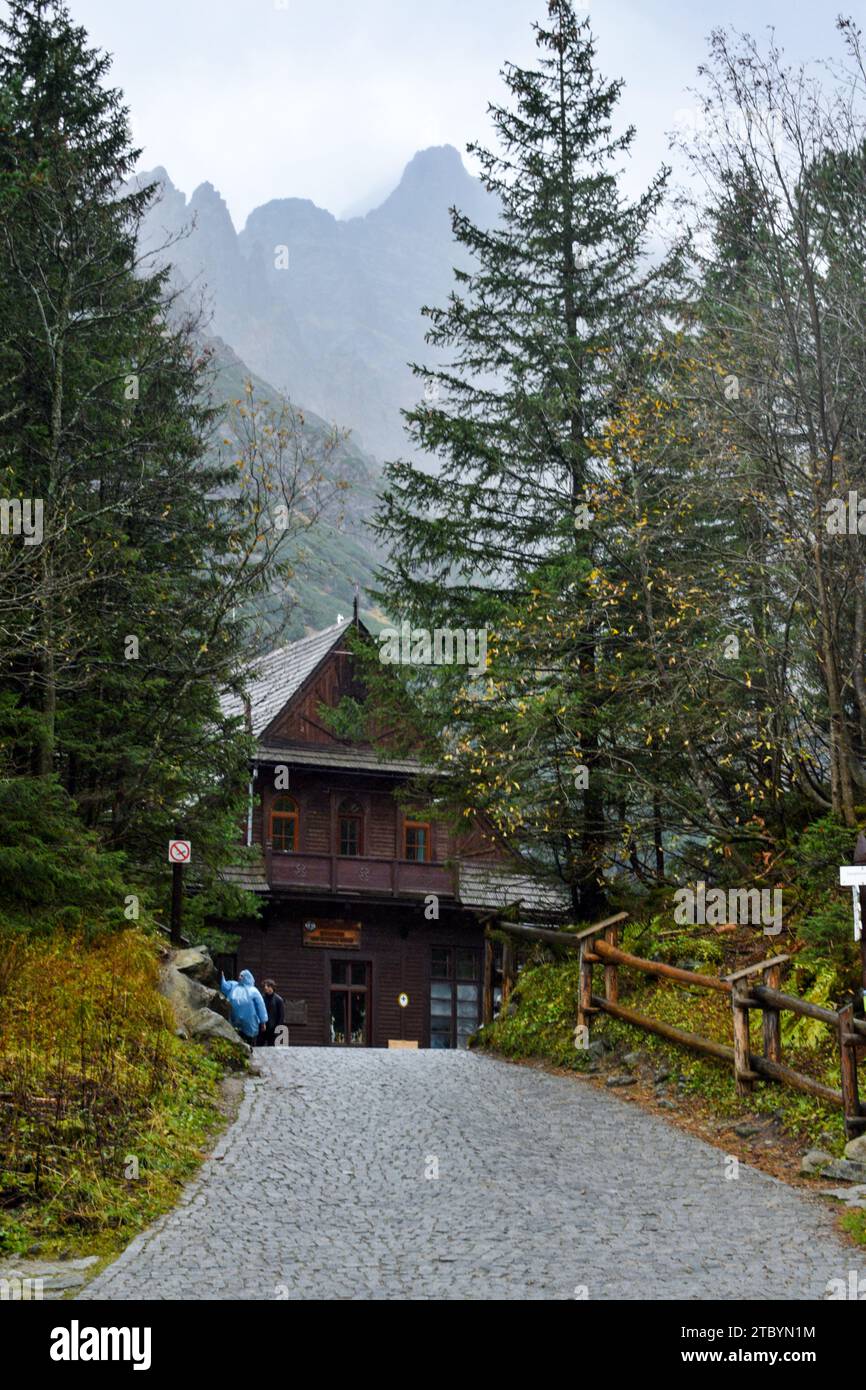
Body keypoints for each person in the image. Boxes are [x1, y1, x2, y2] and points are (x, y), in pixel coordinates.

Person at [220, 969, 267, 1046]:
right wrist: (222, 978)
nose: (239, 977)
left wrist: (263, 1021)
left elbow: (260, 1006)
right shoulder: (234, 985)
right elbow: (225, 988)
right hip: (235, 1020)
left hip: (250, 1022)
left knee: (249, 1040)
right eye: (239, 975)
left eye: (242, 975)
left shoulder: (253, 991)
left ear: (247, 977)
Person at [259, 979, 286, 1047]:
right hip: (262, 1028)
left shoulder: (278, 1000)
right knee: (259, 1047)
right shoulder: (261, 998)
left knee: (271, 1049)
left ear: (272, 987)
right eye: (264, 986)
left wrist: (277, 1029)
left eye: (268, 986)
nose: (265, 988)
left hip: (273, 1029)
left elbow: (281, 1016)